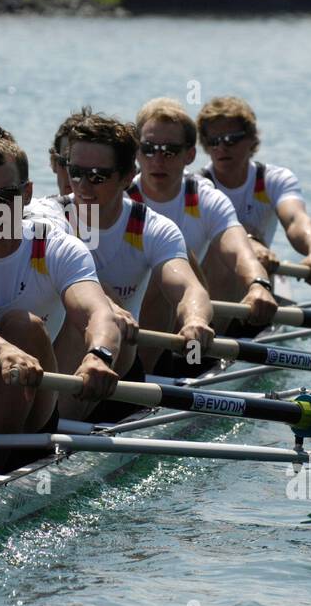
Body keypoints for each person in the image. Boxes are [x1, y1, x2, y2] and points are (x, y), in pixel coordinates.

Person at [0, 136, 122, 450]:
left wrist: (99, 355)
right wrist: (3, 350)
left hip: (36, 395)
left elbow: (96, 311)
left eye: (5, 196)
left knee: (23, 325)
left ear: (27, 193)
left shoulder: (56, 246)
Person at [60, 112, 216, 416]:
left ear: (127, 176)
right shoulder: (48, 217)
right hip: (61, 361)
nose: (82, 186)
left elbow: (187, 287)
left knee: (112, 322)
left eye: (98, 176)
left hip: (119, 361)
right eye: (76, 172)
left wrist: (195, 320)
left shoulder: (153, 227)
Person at [130, 97, 278, 330]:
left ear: (189, 155)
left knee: (187, 257)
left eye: (169, 151)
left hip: (183, 318)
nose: (158, 160)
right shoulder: (118, 197)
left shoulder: (206, 199)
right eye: (149, 149)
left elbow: (239, 251)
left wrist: (258, 284)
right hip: (123, 319)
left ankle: (205, 339)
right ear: (136, 153)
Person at [196, 95, 311, 284]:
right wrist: (251, 243)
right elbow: (223, 232)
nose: (221, 148)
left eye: (230, 140)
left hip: (257, 274)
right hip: (208, 284)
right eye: (213, 141)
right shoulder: (198, 186)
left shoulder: (275, 180)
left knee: (258, 262)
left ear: (252, 139)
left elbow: (295, 220)